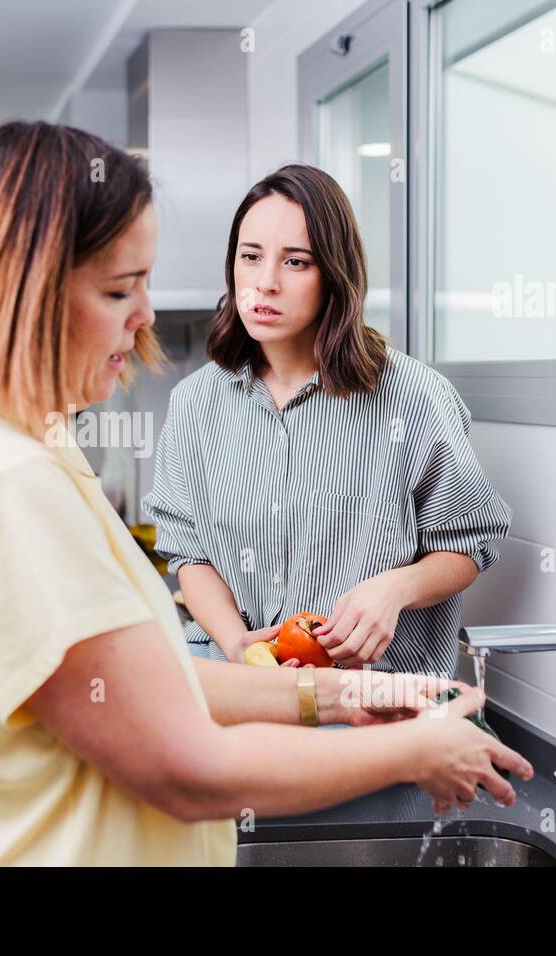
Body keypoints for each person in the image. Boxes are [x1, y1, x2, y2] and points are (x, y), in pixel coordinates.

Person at [0, 122, 531, 866]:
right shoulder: (5, 486)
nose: (147, 314)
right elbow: (184, 767)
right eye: (121, 287)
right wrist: (412, 750)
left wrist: (352, 697)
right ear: (24, 292)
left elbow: (142, 681)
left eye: (295, 261)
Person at [144, 165, 513, 676]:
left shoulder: (414, 398)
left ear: (334, 275)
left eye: (295, 262)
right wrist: (236, 644)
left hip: (370, 702)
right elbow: (190, 554)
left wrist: (395, 588)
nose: (265, 283)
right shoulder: (195, 404)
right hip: (237, 683)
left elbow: (468, 542)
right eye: (250, 257)